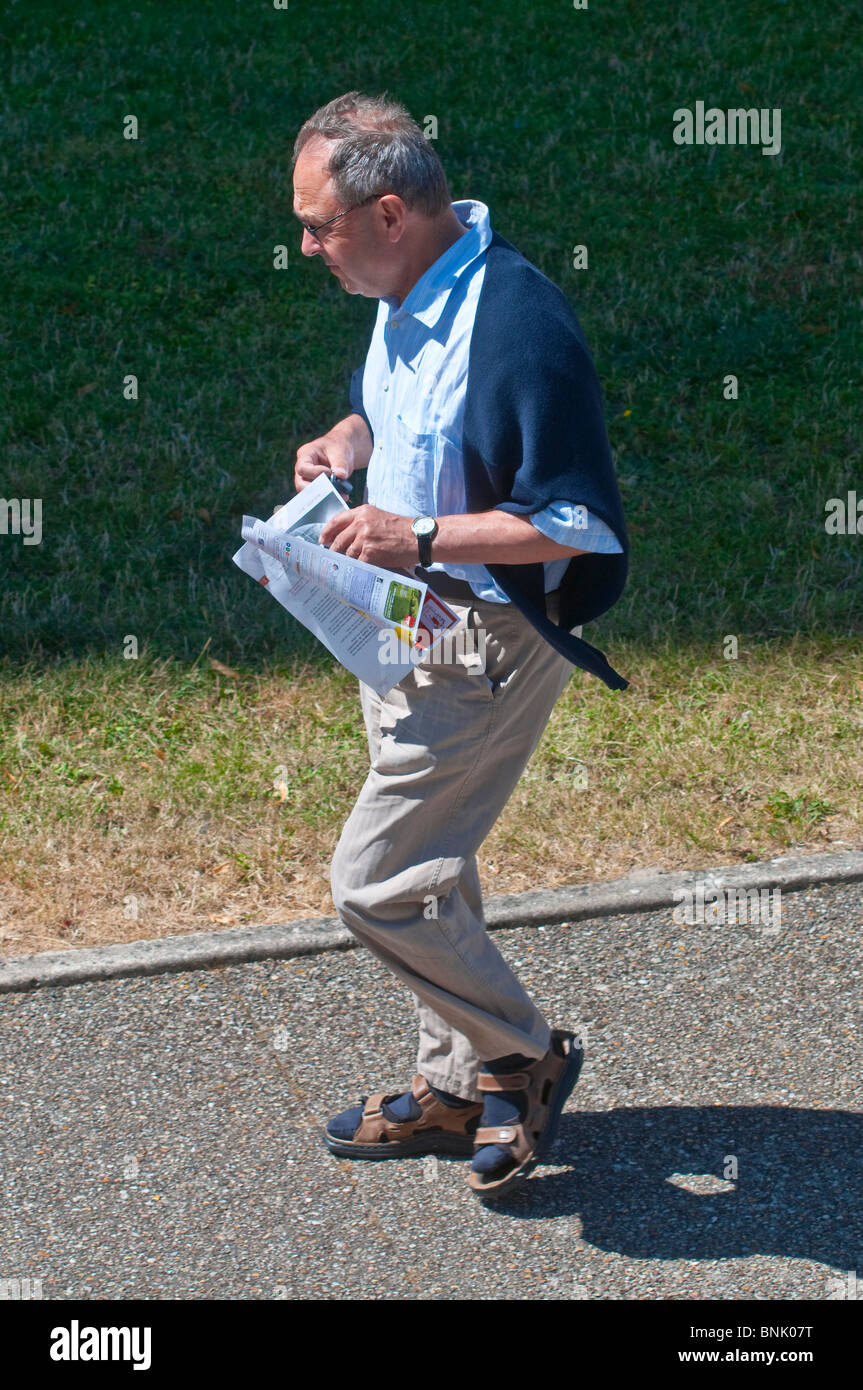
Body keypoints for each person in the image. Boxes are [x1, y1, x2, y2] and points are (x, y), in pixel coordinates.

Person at [290, 92, 629, 1199]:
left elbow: (575, 523)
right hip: (401, 620)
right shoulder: (402, 284)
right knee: (435, 871)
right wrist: (349, 437)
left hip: (480, 635)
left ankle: (522, 1055)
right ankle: (452, 1085)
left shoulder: (519, 323)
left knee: (375, 882)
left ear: (388, 211)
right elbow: (396, 405)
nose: (305, 246)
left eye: (317, 226)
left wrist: (416, 531)